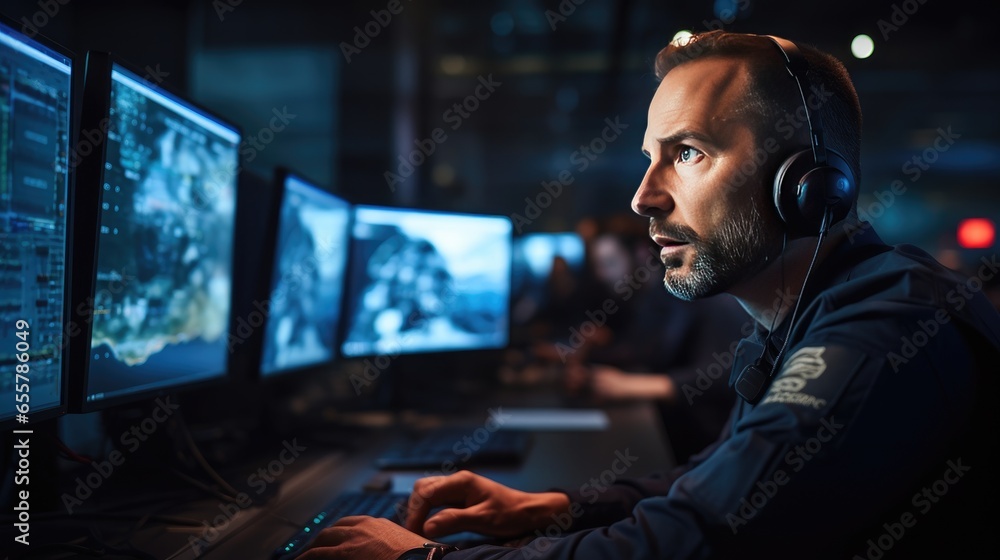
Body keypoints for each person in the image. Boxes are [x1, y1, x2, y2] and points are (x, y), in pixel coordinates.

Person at [298, 31, 1000, 559]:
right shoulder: (808, 312)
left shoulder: (880, 334)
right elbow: (718, 475)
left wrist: (425, 559)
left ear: (808, 184)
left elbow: (692, 539)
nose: (643, 198)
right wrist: (556, 507)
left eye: (687, 153)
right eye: (649, 158)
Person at [564, 228, 745, 463]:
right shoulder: (651, 299)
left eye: (609, 262)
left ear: (639, 254)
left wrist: (634, 386)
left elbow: (727, 372)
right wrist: (593, 359)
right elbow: (648, 350)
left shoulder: (696, 294)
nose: (601, 274)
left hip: (711, 447)